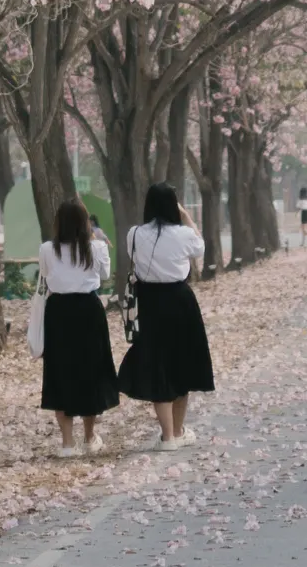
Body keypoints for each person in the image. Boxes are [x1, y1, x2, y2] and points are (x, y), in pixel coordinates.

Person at [117, 183, 215, 451]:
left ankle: (168, 436)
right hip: (180, 301)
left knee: (158, 365)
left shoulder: (134, 234)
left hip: (149, 303)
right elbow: (200, 248)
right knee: (181, 364)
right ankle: (179, 431)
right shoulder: (183, 234)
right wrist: (187, 216)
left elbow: (133, 258)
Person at [38, 200, 119, 457]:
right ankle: (89, 435)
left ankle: (66, 442)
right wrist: (94, 239)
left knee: (60, 371)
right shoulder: (95, 248)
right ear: (86, 223)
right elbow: (105, 274)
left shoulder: (47, 249)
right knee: (90, 370)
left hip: (58, 312)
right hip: (88, 311)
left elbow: (45, 275)